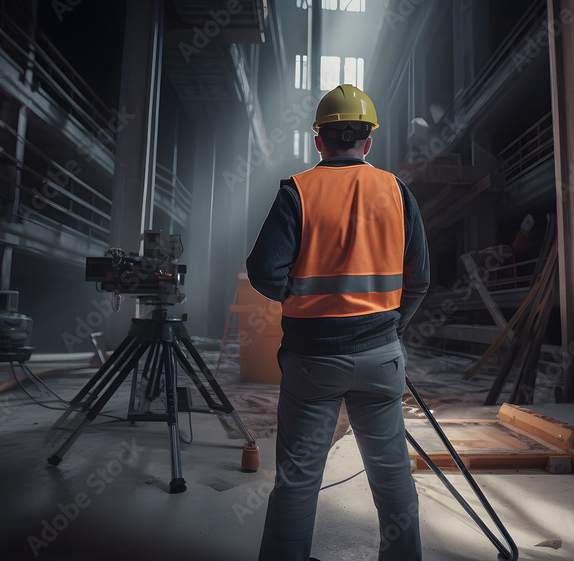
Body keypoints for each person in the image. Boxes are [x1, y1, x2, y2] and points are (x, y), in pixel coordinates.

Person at [246, 84, 430, 561]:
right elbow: (421, 280)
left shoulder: (296, 192)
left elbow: (264, 270)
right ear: (367, 142)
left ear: (318, 140)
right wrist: (390, 327)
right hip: (380, 357)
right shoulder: (397, 191)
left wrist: (302, 300)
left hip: (312, 359)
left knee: (298, 479)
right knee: (392, 478)